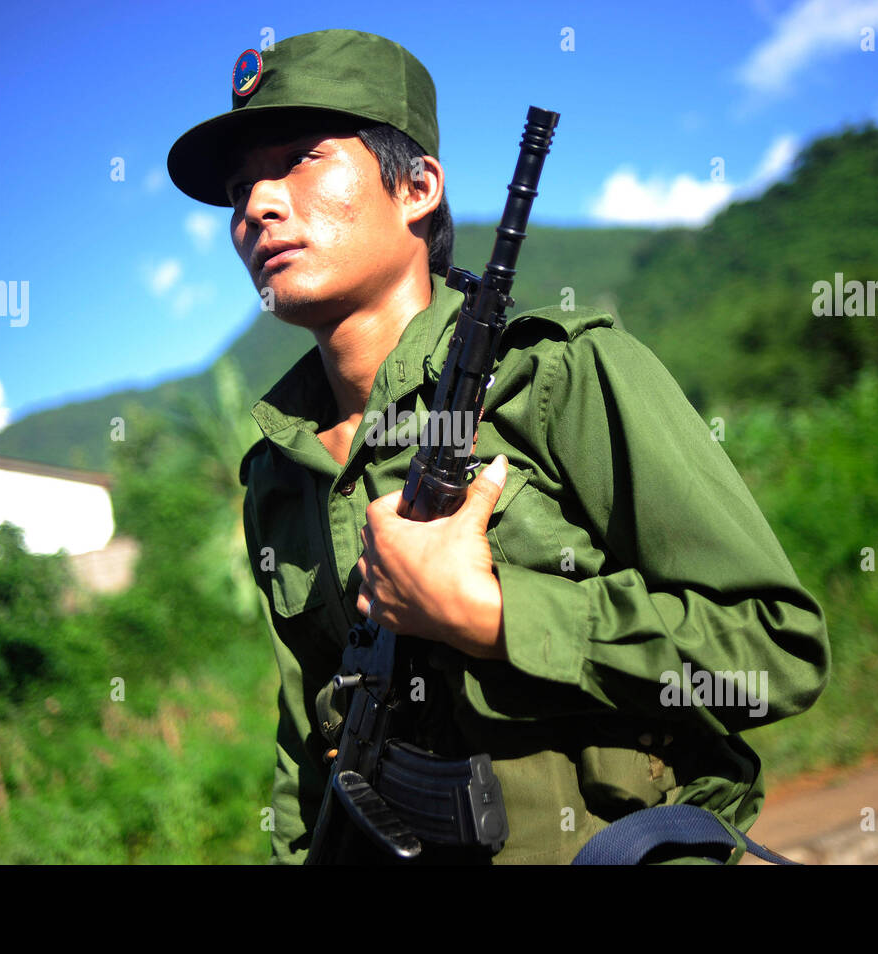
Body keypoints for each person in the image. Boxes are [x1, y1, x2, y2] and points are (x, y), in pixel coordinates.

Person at [168, 28, 830, 864]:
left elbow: (773, 651)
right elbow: (306, 754)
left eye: (302, 158)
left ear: (416, 188)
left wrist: (497, 617)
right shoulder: (280, 471)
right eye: (240, 188)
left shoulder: (557, 375)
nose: (258, 206)